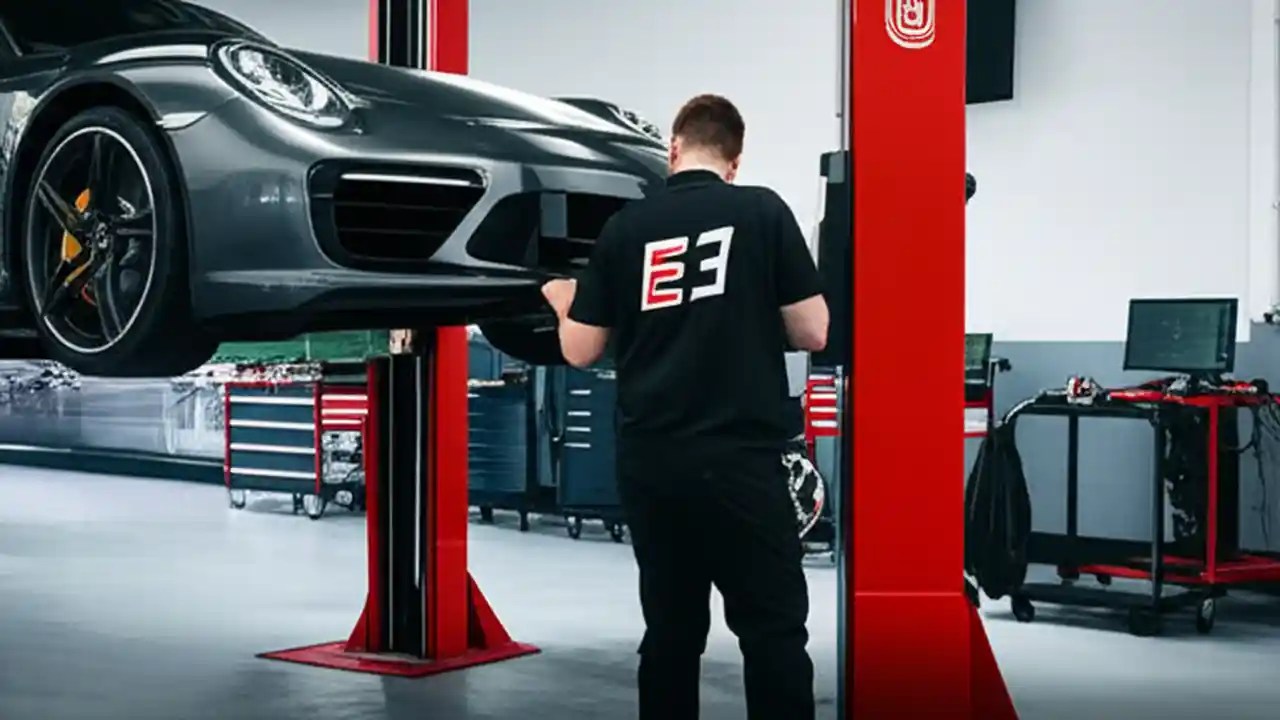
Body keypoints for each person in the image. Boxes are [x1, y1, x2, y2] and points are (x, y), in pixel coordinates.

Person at [540, 93, 829, 720]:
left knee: (671, 635)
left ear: (673, 149)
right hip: (743, 463)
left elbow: (583, 351)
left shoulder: (625, 228)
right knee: (773, 633)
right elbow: (813, 330)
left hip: (655, 464)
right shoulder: (761, 210)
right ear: (734, 161)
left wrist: (565, 304)